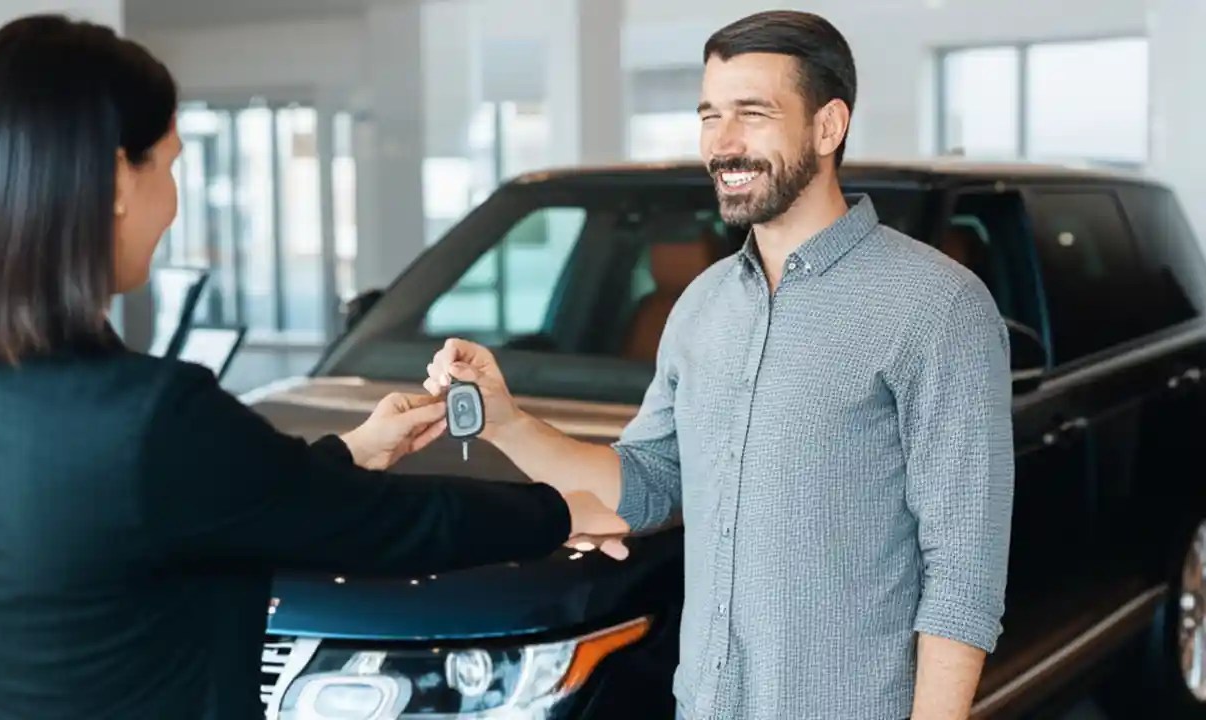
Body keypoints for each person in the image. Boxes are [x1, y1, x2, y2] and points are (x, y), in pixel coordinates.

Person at [0, 15, 625, 720]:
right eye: (168, 166)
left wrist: (353, 451)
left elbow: (211, 499)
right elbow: (389, 524)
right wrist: (558, 509)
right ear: (115, 178)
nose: (171, 205)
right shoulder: (147, 419)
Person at [425, 10, 1013, 720]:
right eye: (709, 116)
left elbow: (964, 571)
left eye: (752, 114)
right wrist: (505, 421)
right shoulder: (701, 306)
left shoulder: (936, 305)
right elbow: (646, 484)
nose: (722, 144)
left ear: (827, 128)